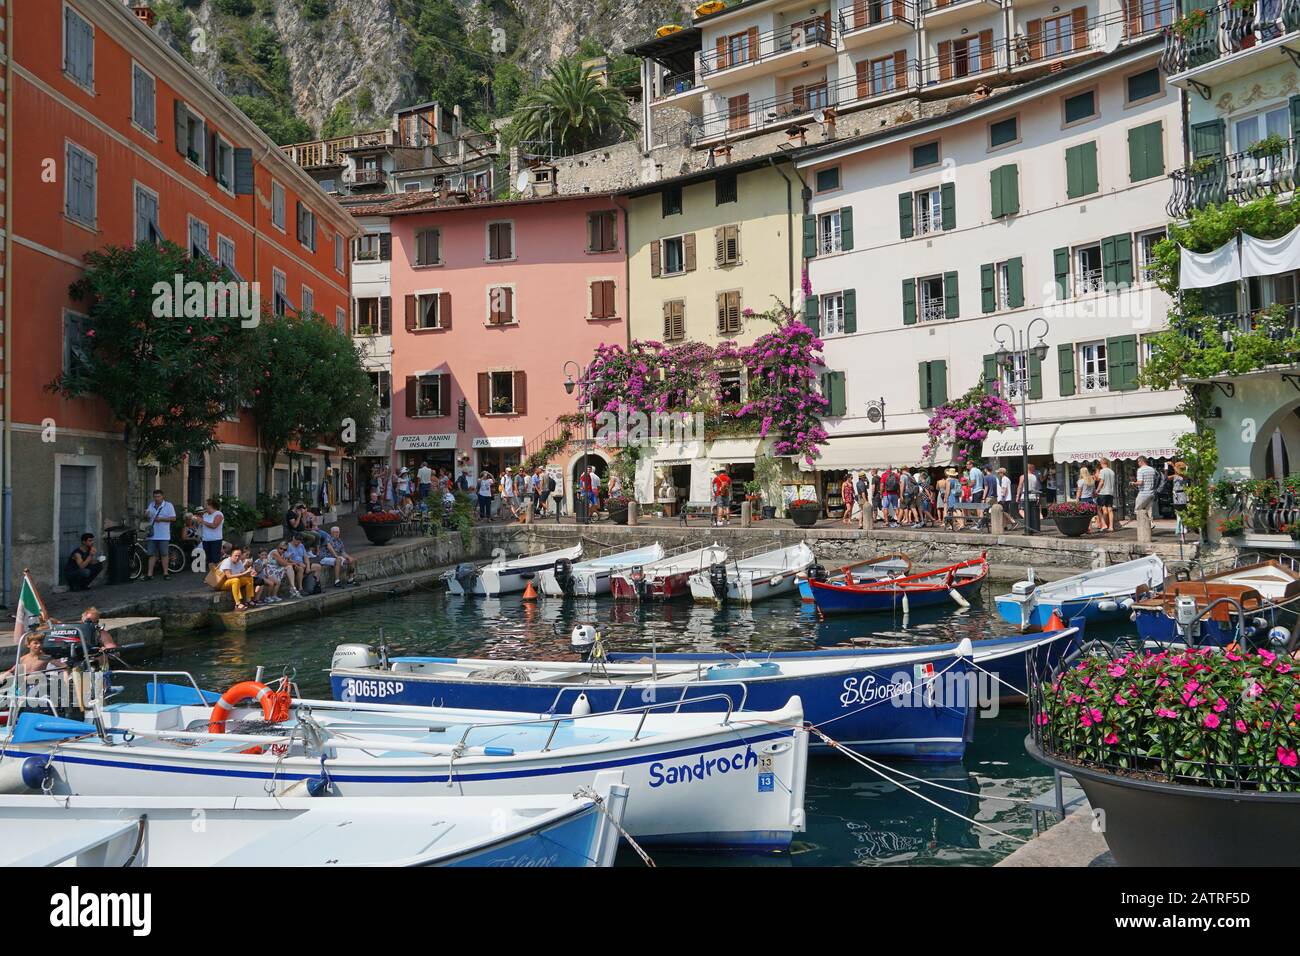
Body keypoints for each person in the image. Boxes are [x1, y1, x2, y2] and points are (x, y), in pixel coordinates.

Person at [144, 489, 176, 581]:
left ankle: (165, 573)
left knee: (164, 554)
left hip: (163, 535)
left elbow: (173, 518)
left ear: (162, 496)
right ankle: (149, 574)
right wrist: (146, 515)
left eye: (158, 496)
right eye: (155, 497)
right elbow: (147, 516)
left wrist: (161, 519)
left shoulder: (168, 505)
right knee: (152, 554)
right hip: (152, 534)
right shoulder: (151, 505)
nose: (157, 498)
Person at [1133, 455, 1159, 528]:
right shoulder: (1152, 469)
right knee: (1148, 510)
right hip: (1151, 493)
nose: (1138, 463)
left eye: (1138, 462)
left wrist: (1133, 483)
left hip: (1143, 493)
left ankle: (1142, 525)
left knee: (1137, 509)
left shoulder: (1140, 470)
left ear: (1141, 461)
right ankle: (1151, 523)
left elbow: (1140, 482)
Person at [199, 497, 225, 568]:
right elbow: (202, 525)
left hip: (215, 540)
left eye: (206, 505)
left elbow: (214, 525)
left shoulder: (218, 514)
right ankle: (212, 577)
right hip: (206, 540)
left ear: (211, 506)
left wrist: (202, 521)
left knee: (215, 560)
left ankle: (217, 576)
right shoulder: (205, 515)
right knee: (209, 560)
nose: (205, 507)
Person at [1017, 463, 1042, 532]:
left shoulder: (1023, 476)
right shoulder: (1034, 476)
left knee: (1021, 510)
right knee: (1031, 511)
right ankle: (1031, 524)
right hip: (1033, 497)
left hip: (1024, 496)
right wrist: (1037, 496)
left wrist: (1017, 496)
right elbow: (1037, 488)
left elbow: (1020, 486)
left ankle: (1028, 521)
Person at [1096, 457, 1117, 532]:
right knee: (1110, 510)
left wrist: (1097, 490)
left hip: (1103, 492)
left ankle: (1104, 525)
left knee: (1098, 508)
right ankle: (1111, 527)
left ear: (1101, 463)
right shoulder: (1112, 471)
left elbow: (1101, 482)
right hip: (1110, 492)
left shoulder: (1102, 471)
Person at [1171, 461, 1189, 536]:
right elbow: (1167, 478)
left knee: (1183, 510)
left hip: (1182, 494)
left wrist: (1172, 466)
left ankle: (1184, 526)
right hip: (1176, 494)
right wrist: (1165, 470)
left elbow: (1182, 475)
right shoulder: (1175, 475)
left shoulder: (1184, 475)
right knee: (1177, 511)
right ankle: (1179, 527)